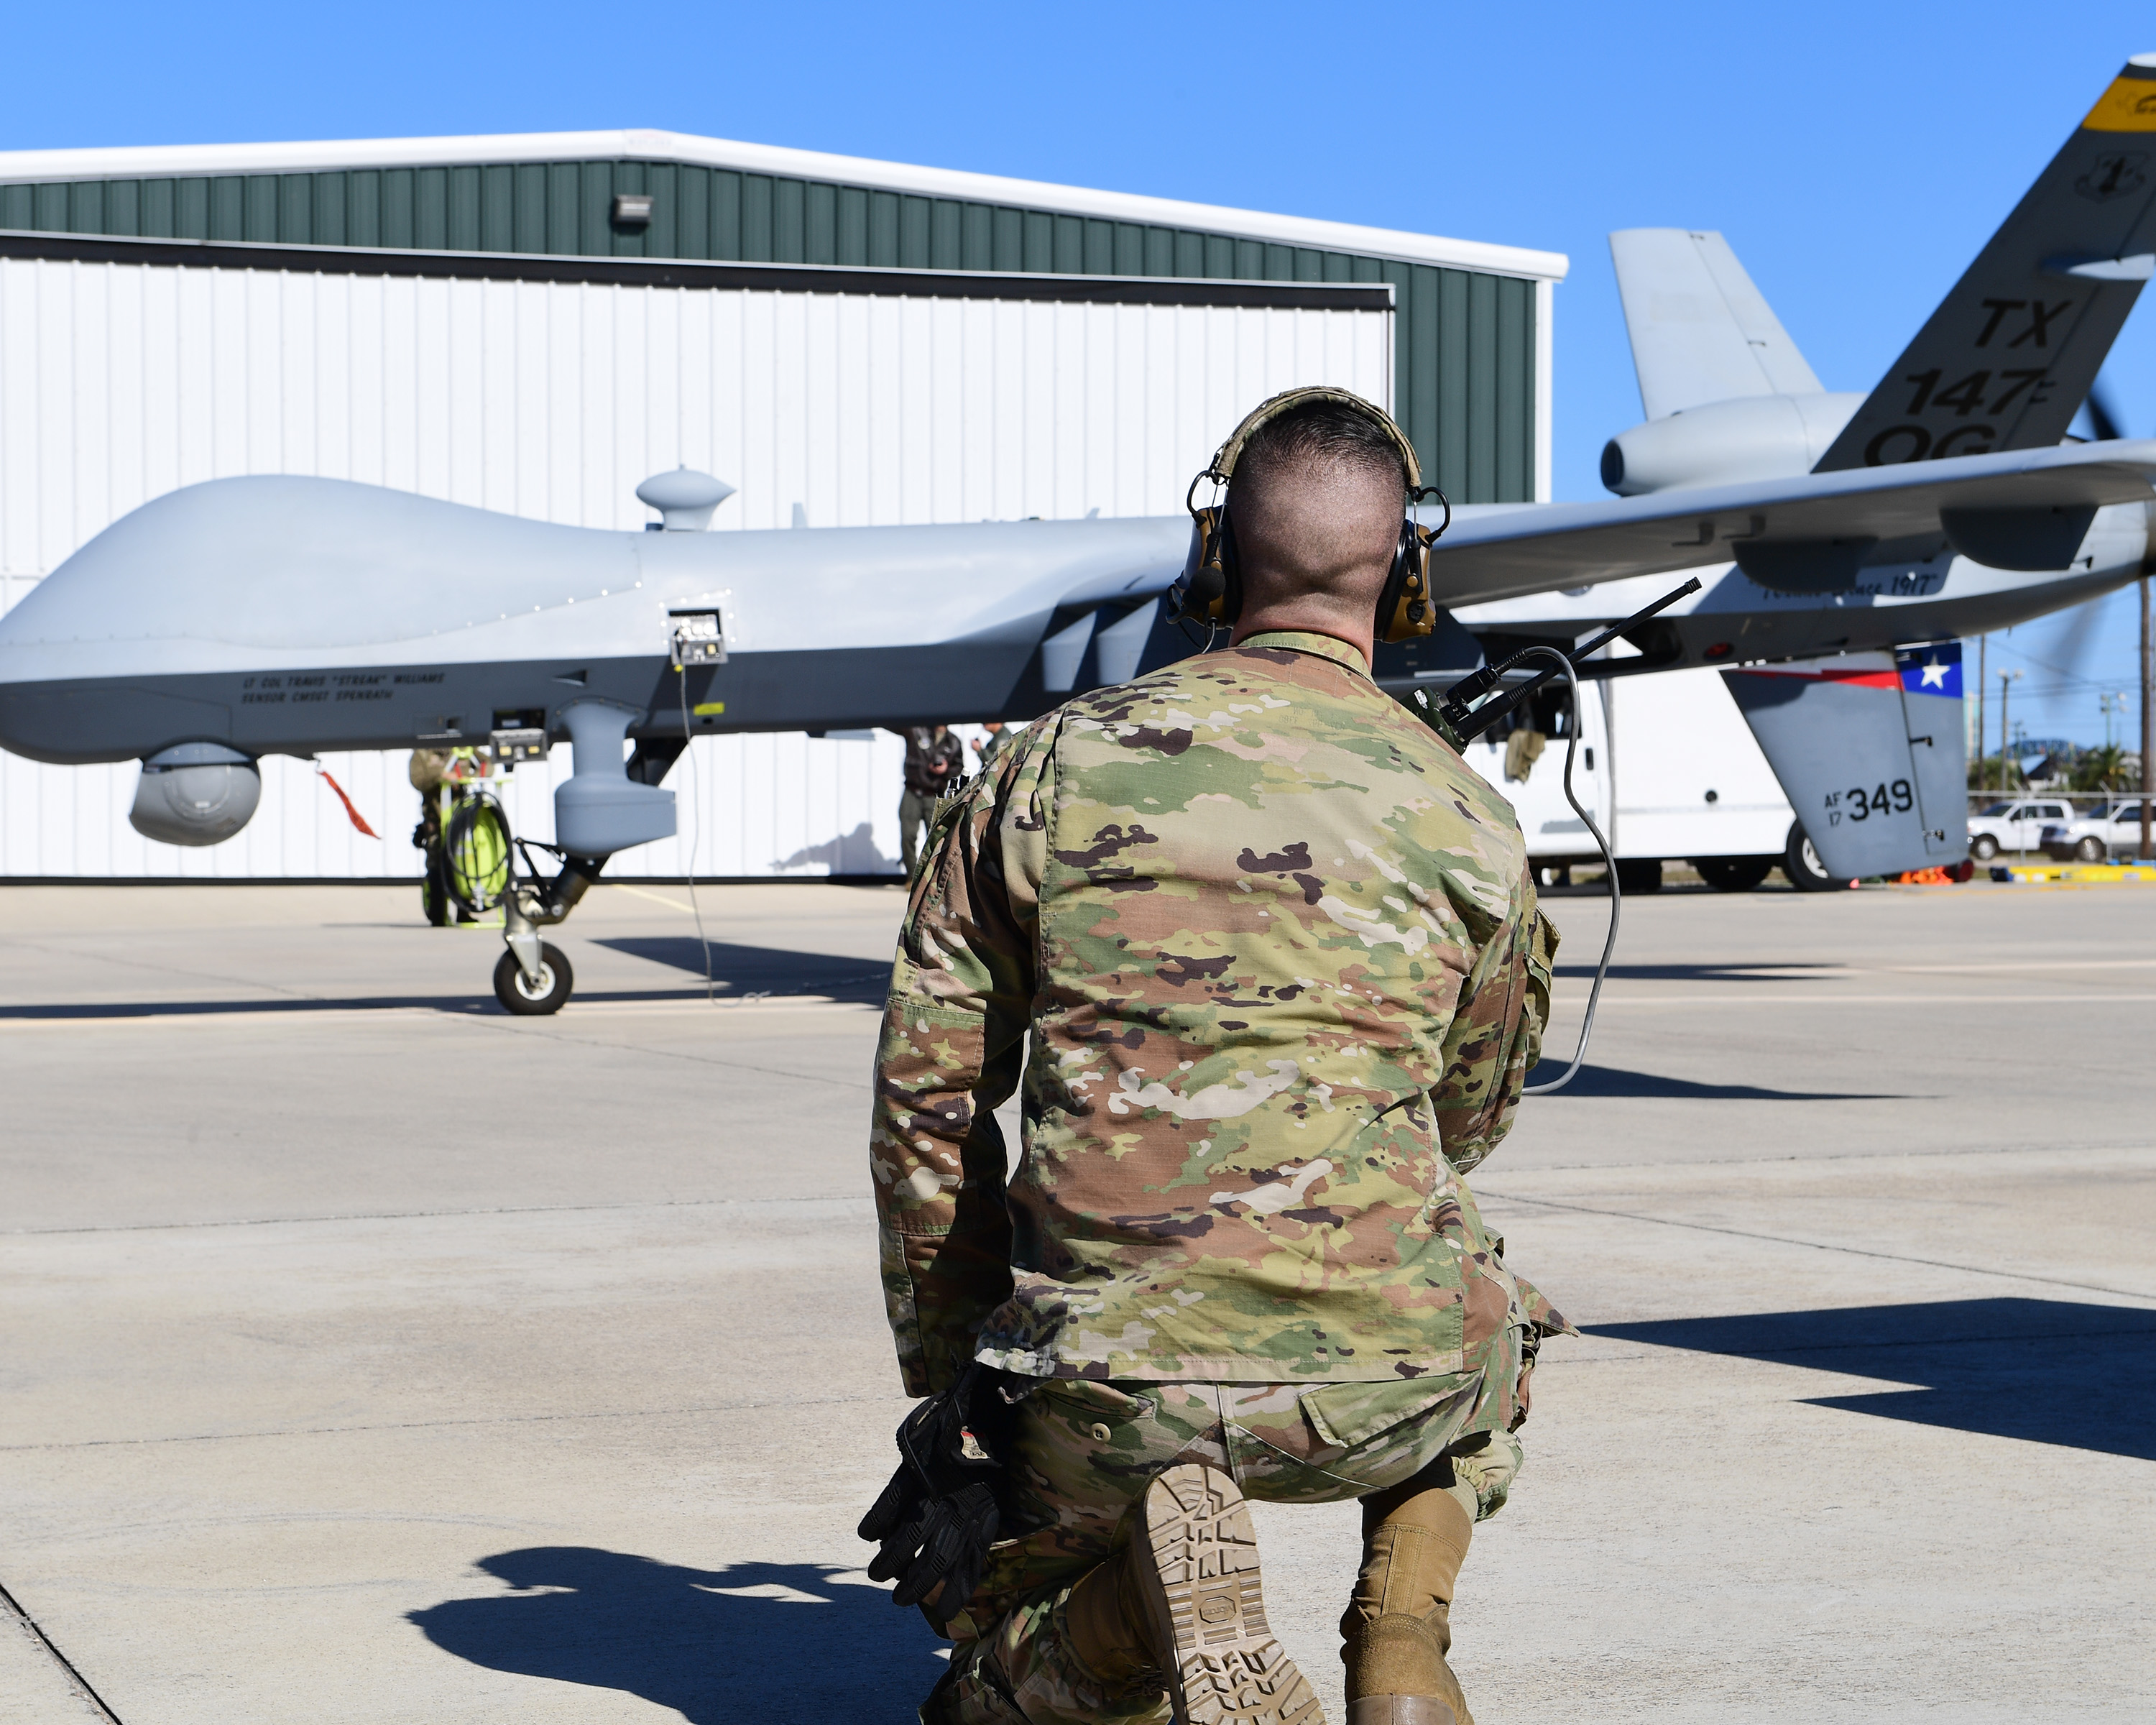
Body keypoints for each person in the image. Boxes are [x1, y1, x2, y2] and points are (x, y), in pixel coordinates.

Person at [867, 389, 1570, 1725]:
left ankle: (1133, 1607)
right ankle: (1402, 1641)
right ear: (1408, 575)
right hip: (1390, 1388)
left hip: (1105, 1389)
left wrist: (958, 1389)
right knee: (1502, 1336)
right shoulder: (1469, 814)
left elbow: (929, 1106)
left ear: (1214, 559)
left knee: (991, 1693)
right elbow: (1467, 1122)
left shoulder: (1045, 769)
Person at [898, 724, 966, 877]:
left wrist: (946, 770)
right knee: (908, 835)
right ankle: (911, 875)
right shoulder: (916, 730)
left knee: (937, 836)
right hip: (912, 790)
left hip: (934, 793)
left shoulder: (953, 741)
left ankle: (932, 875)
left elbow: (959, 766)